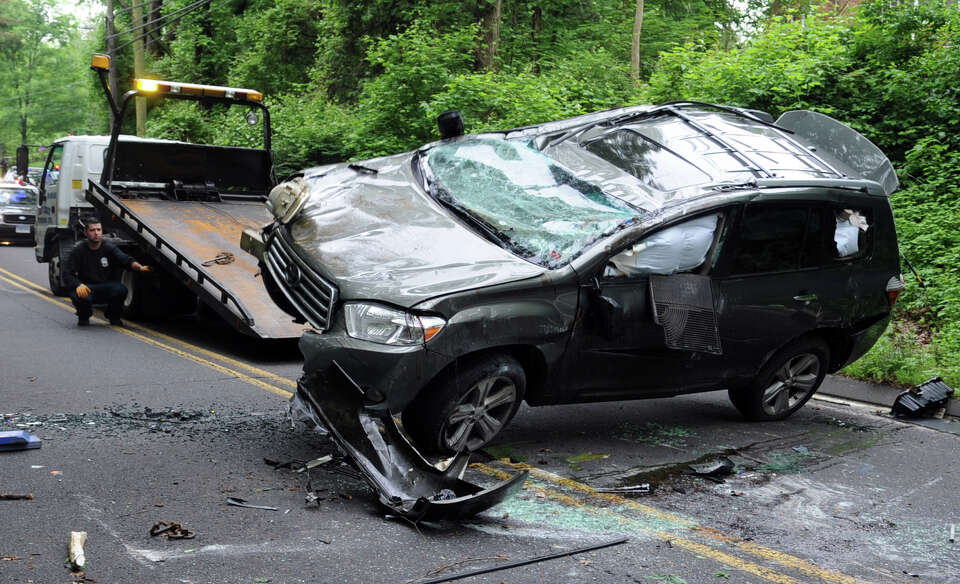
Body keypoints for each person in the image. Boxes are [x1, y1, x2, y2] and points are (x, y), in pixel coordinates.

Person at [63, 217, 152, 327]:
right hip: (87, 287)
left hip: (105, 286)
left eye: (98, 230)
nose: (96, 233)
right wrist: (78, 285)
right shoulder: (78, 250)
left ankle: (113, 316)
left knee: (121, 290)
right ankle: (84, 316)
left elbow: (125, 259)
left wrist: (139, 267)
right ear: (86, 232)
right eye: (92, 230)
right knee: (79, 295)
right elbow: (67, 274)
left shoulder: (109, 248)